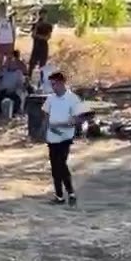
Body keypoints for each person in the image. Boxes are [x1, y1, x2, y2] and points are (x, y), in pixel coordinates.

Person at [42, 71, 86, 206]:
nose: (53, 87)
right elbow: (45, 114)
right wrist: (48, 127)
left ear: (61, 83)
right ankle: (59, 195)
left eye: (54, 84)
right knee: (55, 167)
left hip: (65, 137)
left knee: (61, 164)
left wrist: (70, 122)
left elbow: (82, 116)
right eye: (51, 84)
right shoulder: (50, 99)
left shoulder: (73, 99)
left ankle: (70, 192)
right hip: (52, 137)